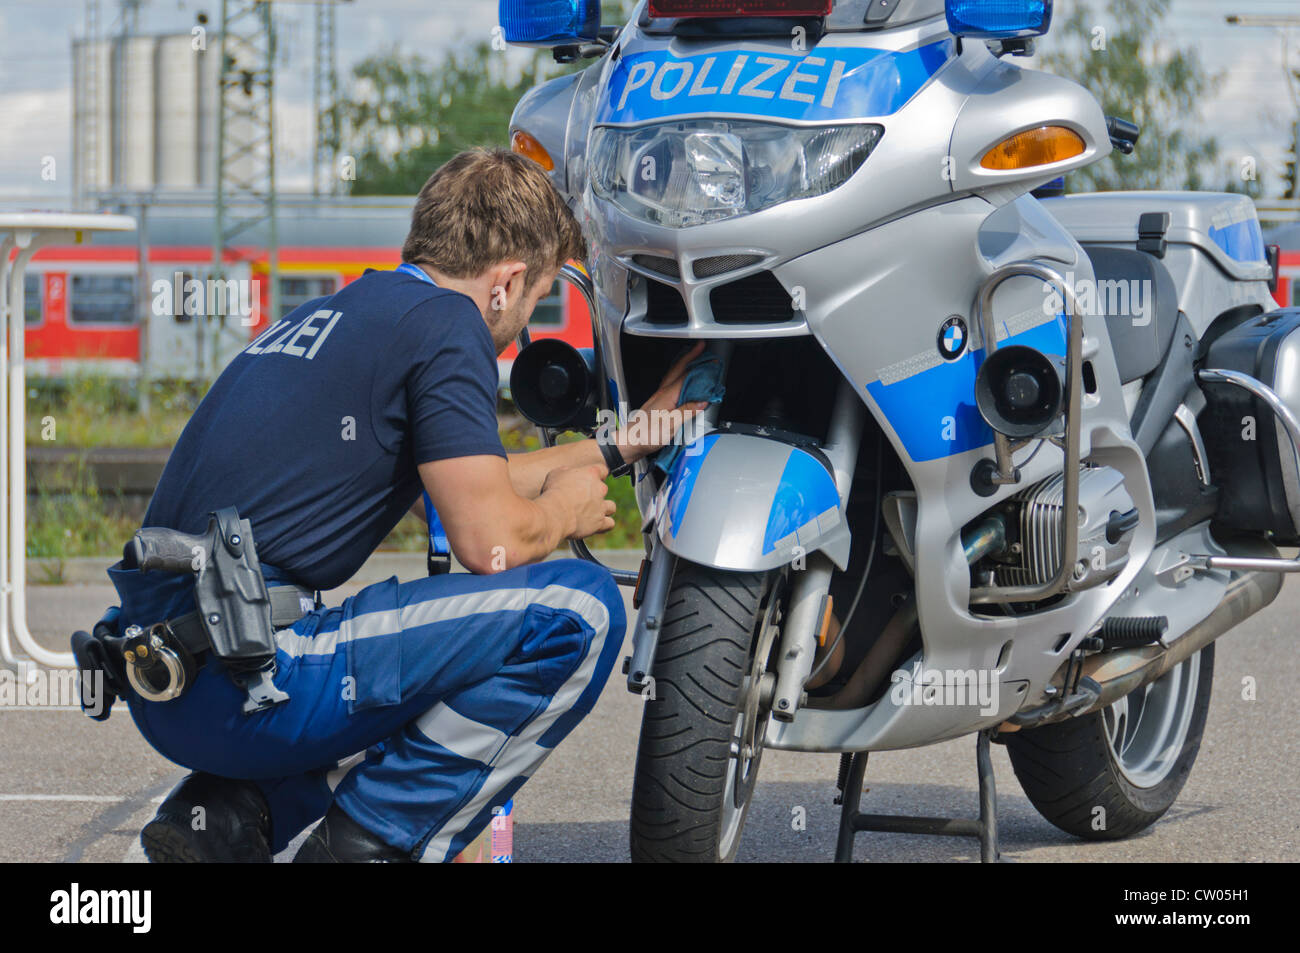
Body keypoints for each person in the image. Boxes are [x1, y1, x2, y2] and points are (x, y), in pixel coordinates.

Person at [106, 148, 706, 862]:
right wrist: (563, 516)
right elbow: (491, 541)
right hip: (252, 673)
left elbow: (479, 475)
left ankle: (236, 814)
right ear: (506, 282)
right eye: (535, 298)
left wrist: (621, 447)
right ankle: (367, 845)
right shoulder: (448, 327)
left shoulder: (348, 313)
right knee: (578, 610)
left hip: (167, 679)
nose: (520, 326)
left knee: (447, 653)